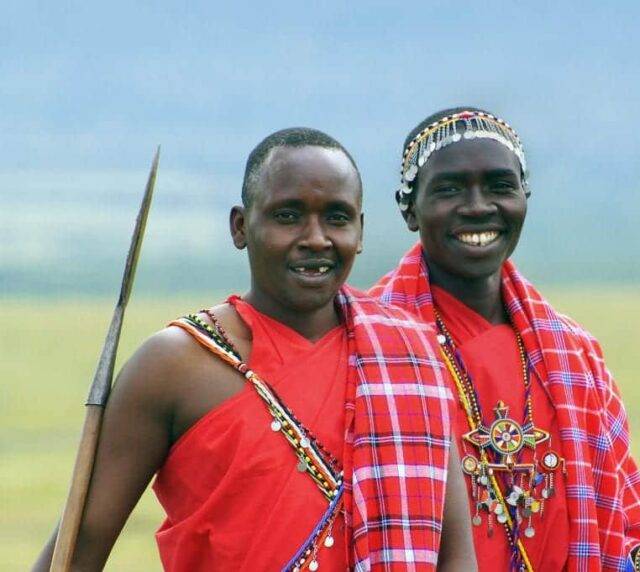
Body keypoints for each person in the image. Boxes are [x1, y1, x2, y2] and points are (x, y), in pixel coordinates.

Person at [34, 128, 476, 571]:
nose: (316, 238)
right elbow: (78, 548)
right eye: (288, 216)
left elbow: (454, 557)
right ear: (241, 226)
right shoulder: (175, 366)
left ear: (360, 230)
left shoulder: (410, 355)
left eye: (337, 218)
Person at [371, 108, 640, 571]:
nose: (479, 206)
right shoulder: (367, 349)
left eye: (500, 186)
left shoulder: (574, 355)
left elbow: (613, 547)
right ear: (409, 208)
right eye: (449, 189)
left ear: (525, 197)